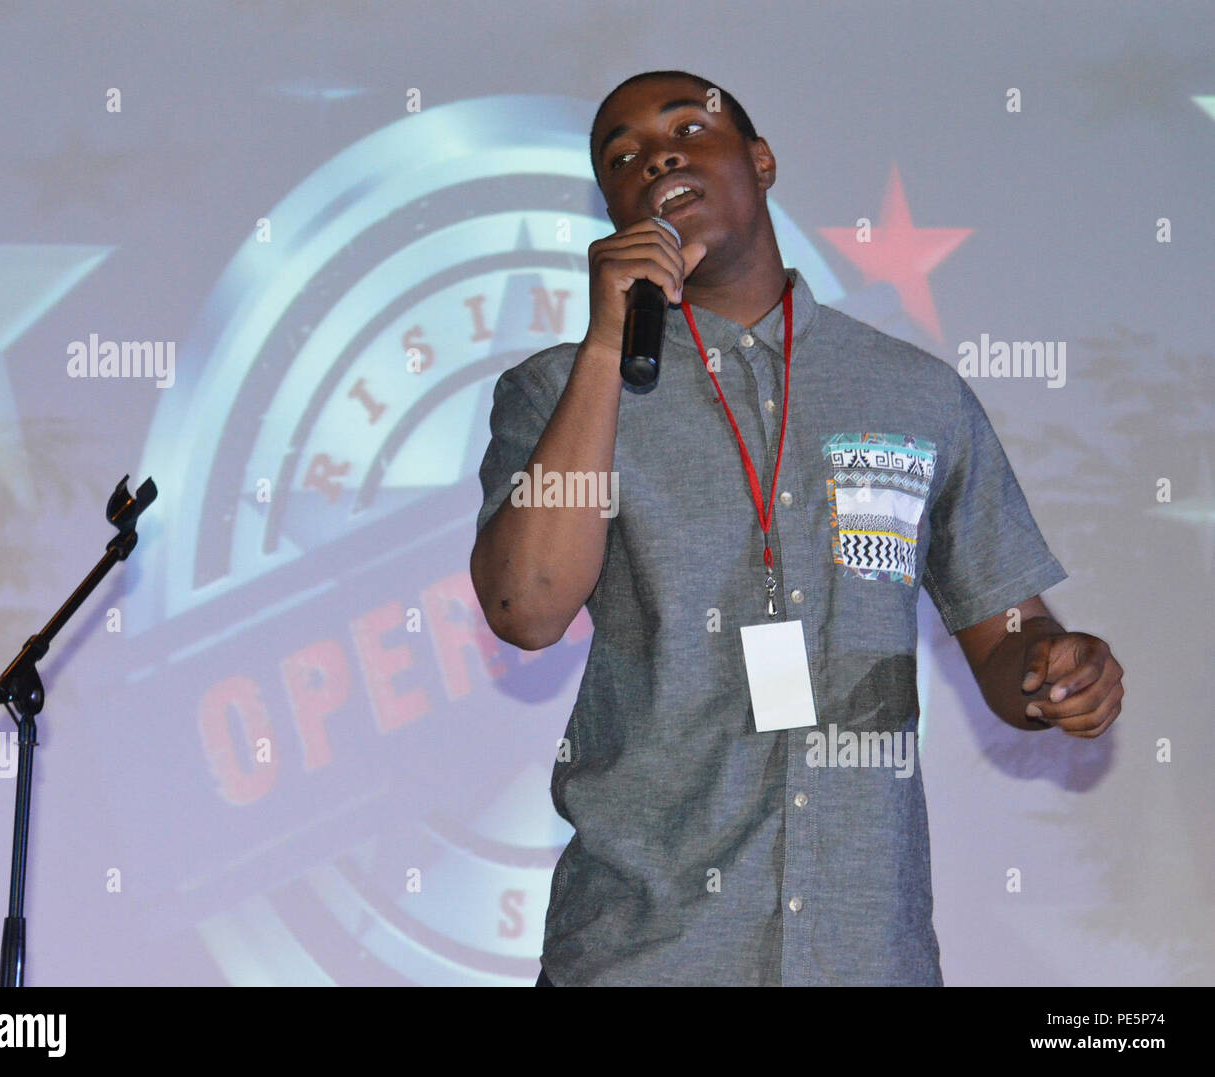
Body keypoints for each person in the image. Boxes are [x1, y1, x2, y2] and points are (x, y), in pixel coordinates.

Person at [470, 70, 1124, 987]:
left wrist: (1061, 668)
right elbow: (525, 605)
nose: (656, 154)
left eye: (688, 127)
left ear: (761, 161)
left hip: (866, 952)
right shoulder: (558, 391)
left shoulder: (916, 392)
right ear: (614, 210)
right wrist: (610, 350)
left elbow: (1009, 636)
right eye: (621, 157)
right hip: (644, 954)